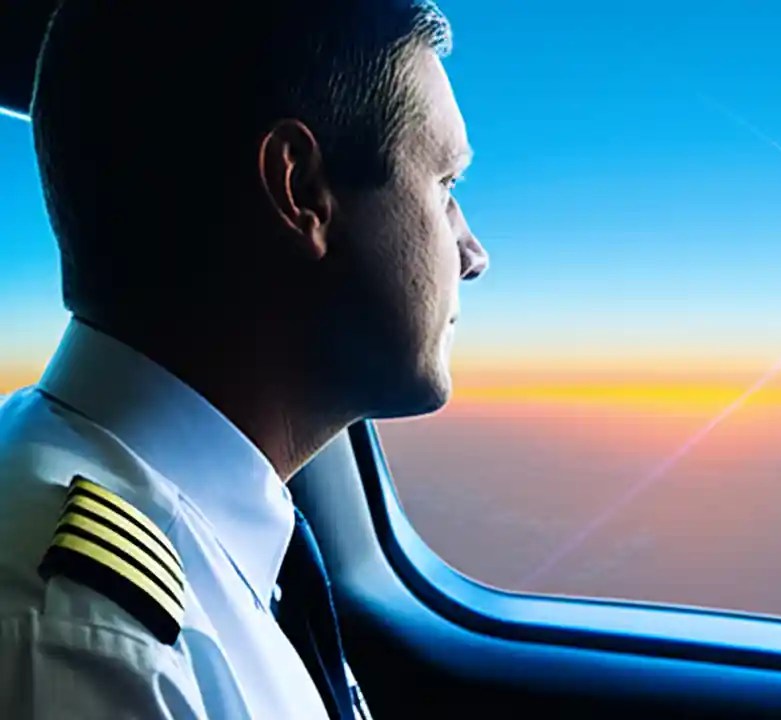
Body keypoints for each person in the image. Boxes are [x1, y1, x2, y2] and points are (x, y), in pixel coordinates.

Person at [0, 0, 488, 717]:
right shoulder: (101, 655)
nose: (473, 254)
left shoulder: (191, 539)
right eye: (444, 187)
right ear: (301, 190)